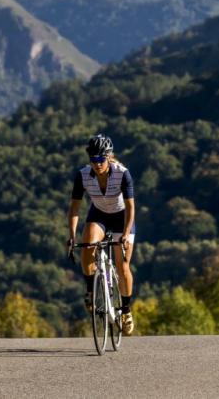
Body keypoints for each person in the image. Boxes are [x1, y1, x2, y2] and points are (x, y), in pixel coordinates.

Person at [67, 133, 137, 336]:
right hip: (99, 215)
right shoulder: (82, 175)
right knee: (87, 246)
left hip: (122, 217)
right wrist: (71, 236)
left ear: (109, 157)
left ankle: (126, 310)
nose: (97, 163)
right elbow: (74, 209)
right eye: (93, 159)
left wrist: (125, 234)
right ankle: (91, 290)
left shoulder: (122, 174)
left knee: (123, 266)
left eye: (100, 159)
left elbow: (131, 208)